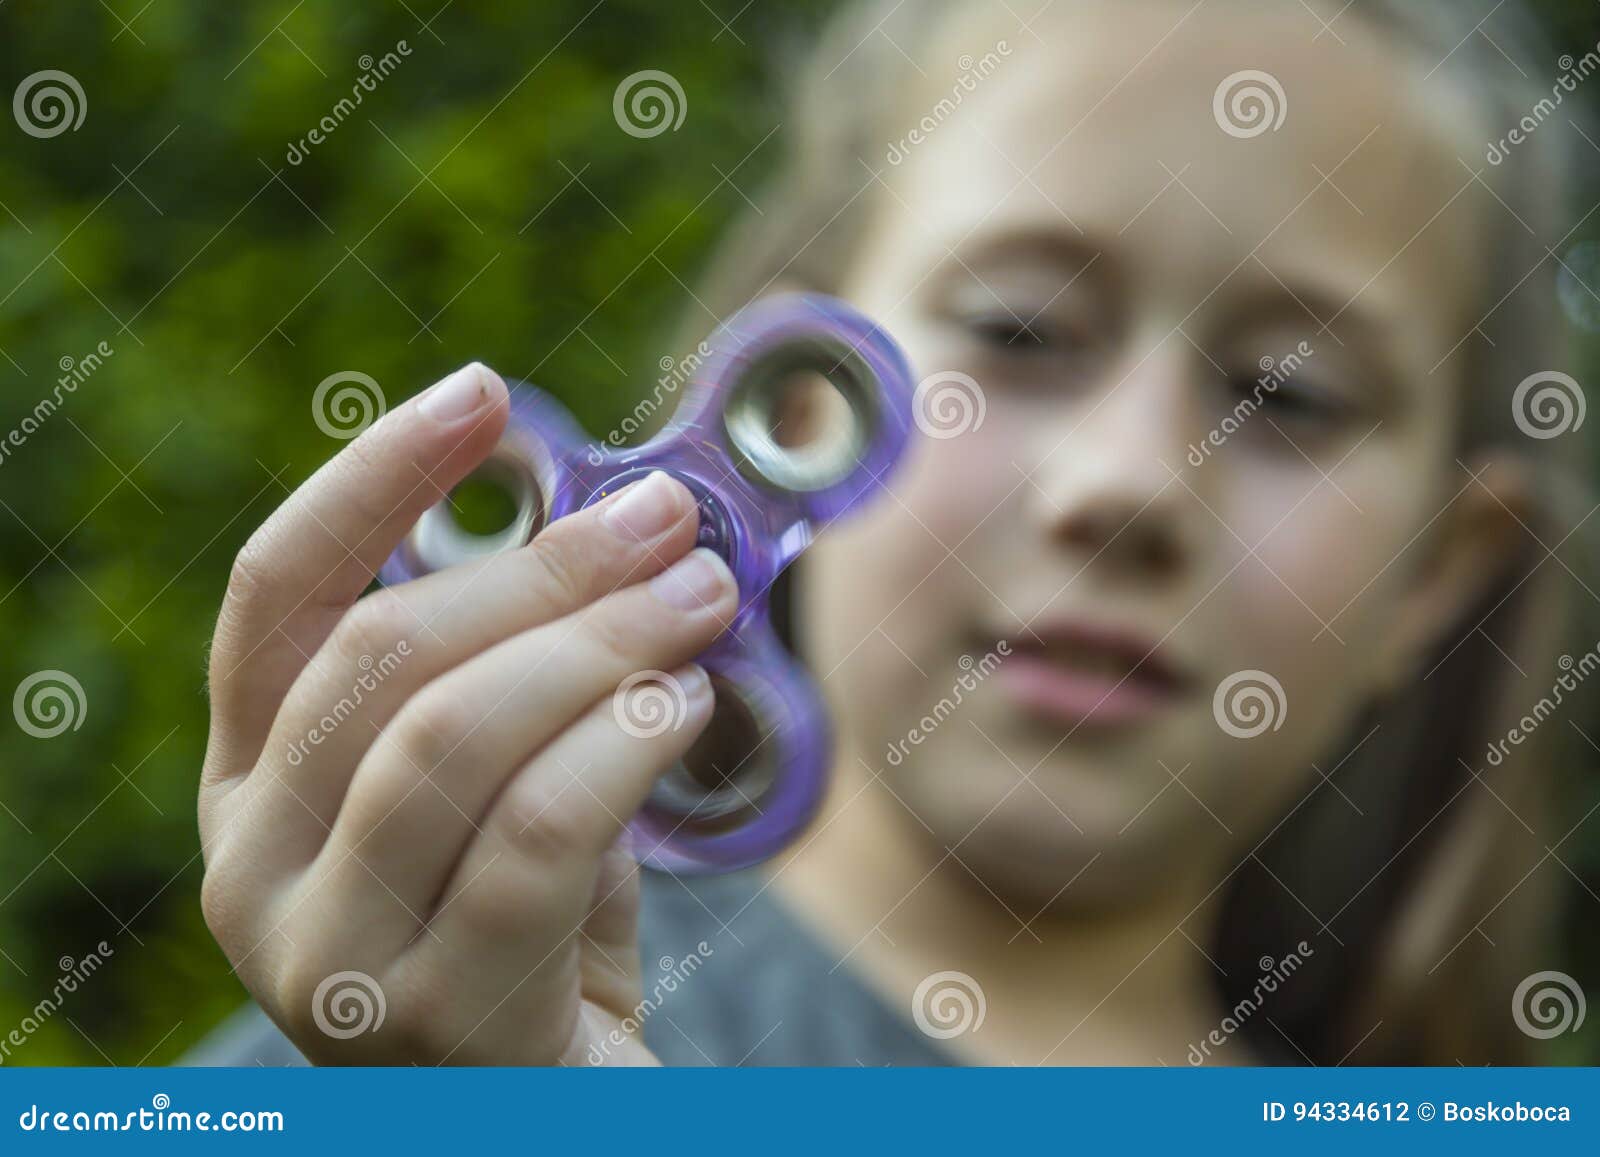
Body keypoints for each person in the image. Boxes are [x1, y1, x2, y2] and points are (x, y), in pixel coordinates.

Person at [189, 0, 1595, 1066]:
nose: (1130, 485)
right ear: (799, 405)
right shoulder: (456, 1018)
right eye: (1020, 329)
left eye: (1287, 394)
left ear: (1436, 574)